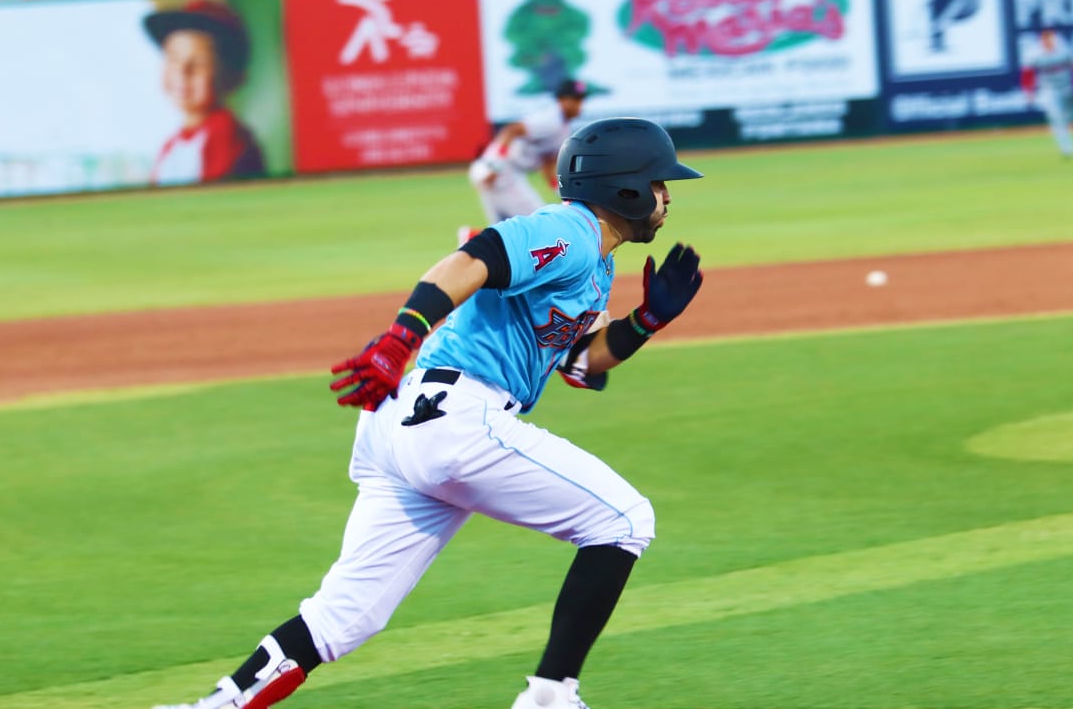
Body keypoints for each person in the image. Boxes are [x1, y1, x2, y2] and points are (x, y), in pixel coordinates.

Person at [153, 117, 705, 709]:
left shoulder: (595, 261)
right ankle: (550, 696)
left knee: (343, 617)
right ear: (624, 187)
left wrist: (646, 321)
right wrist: (400, 338)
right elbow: (473, 259)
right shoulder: (568, 231)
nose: (667, 196)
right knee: (623, 520)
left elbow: (580, 361)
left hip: (407, 425)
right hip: (457, 419)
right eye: (659, 182)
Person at [144, 0, 266, 186]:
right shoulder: (171, 145)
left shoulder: (226, 135)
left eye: (200, 63)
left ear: (232, 78)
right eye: (173, 58)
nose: (183, 71)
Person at [460, 78, 592, 244]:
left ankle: (471, 237)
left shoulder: (562, 127)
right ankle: (471, 237)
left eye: (581, 100)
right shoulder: (551, 119)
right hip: (500, 170)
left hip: (505, 172)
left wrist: (559, 192)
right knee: (540, 223)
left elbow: (547, 162)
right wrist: (495, 166)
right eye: (575, 100)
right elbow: (510, 130)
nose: (579, 105)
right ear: (561, 100)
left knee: (507, 234)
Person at [1020, 28, 1073, 159]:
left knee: (1069, 117)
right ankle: (1067, 149)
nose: (1048, 42)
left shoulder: (1064, 50)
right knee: (1056, 118)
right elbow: (1027, 74)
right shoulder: (1035, 54)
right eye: (1045, 39)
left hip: (1067, 87)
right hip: (1048, 90)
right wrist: (1029, 92)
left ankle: (1067, 136)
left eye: (1051, 39)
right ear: (1041, 41)